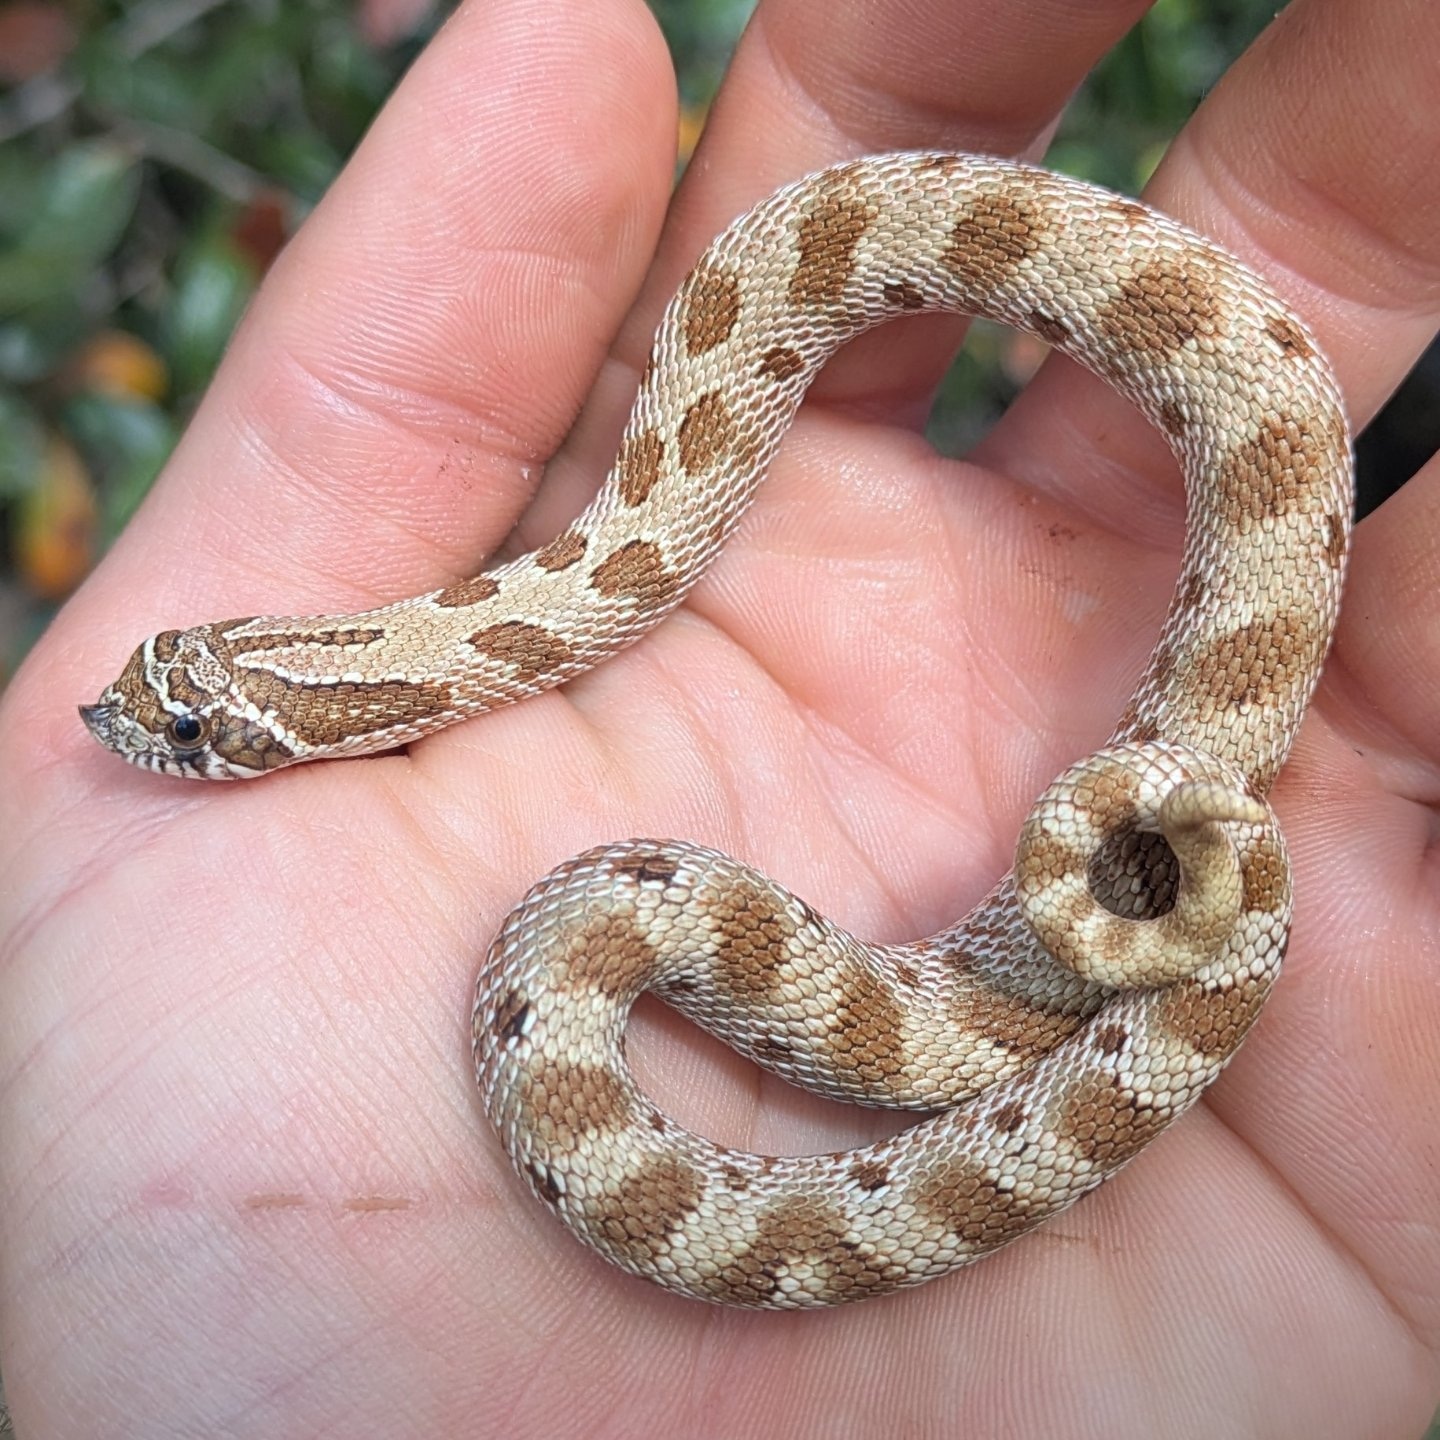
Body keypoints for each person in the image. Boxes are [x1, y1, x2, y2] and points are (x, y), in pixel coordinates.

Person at [2, 0, 1437, 1433]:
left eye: (192, 716)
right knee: (839, 983)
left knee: (1265, 435)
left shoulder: (598, 556)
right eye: (193, 725)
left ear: (277, 652)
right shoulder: (552, 601)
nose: (142, 731)